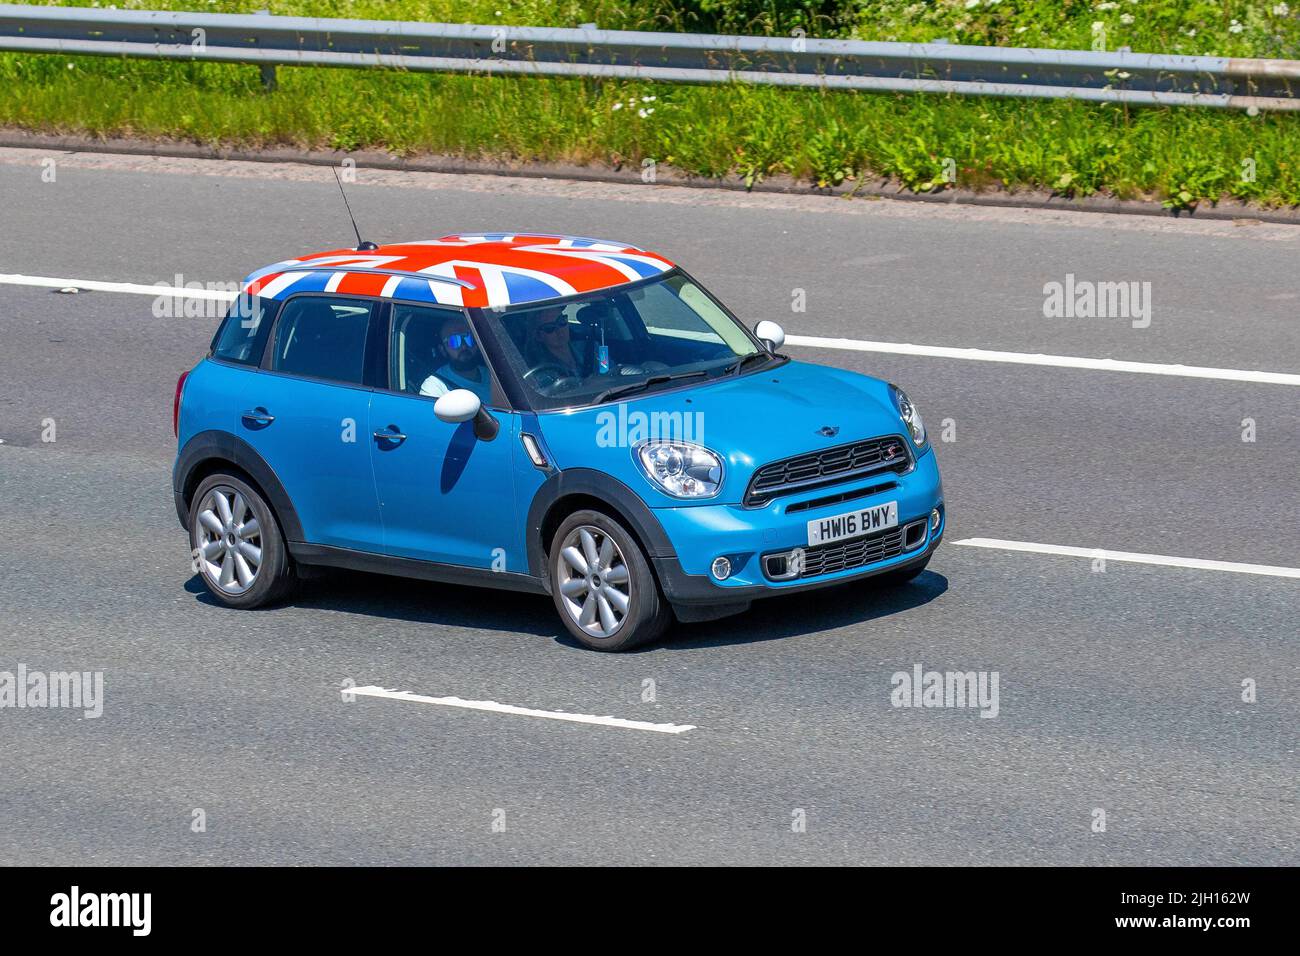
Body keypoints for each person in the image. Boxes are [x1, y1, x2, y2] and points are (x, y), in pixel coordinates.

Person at [420, 315, 492, 404]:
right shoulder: (435, 386)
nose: (464, 346)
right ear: (443, 349)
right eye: (454, 341)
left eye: (468, 338)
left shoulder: (493, 377)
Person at [525, 306, 584, 377]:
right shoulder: (542, 371)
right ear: (538, 336)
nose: (559, 330)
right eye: (549, 328)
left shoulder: (588, 348)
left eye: (561, 321)